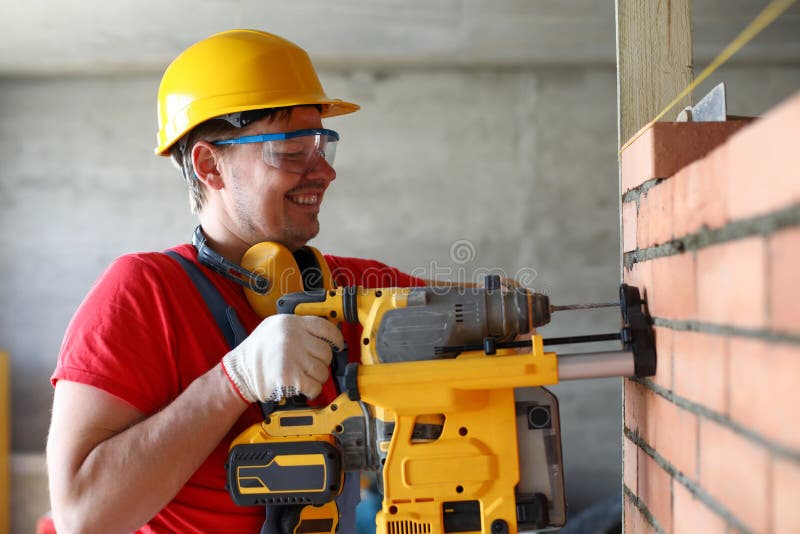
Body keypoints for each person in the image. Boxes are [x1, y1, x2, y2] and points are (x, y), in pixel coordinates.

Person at [46, 29, 424, 533]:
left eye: (322, 146)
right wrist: (234, 380)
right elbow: (82, 517)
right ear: (209, 164)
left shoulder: (345, 289)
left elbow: (491, 320)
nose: (323, 173)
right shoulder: (143, 294)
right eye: (292, 150)